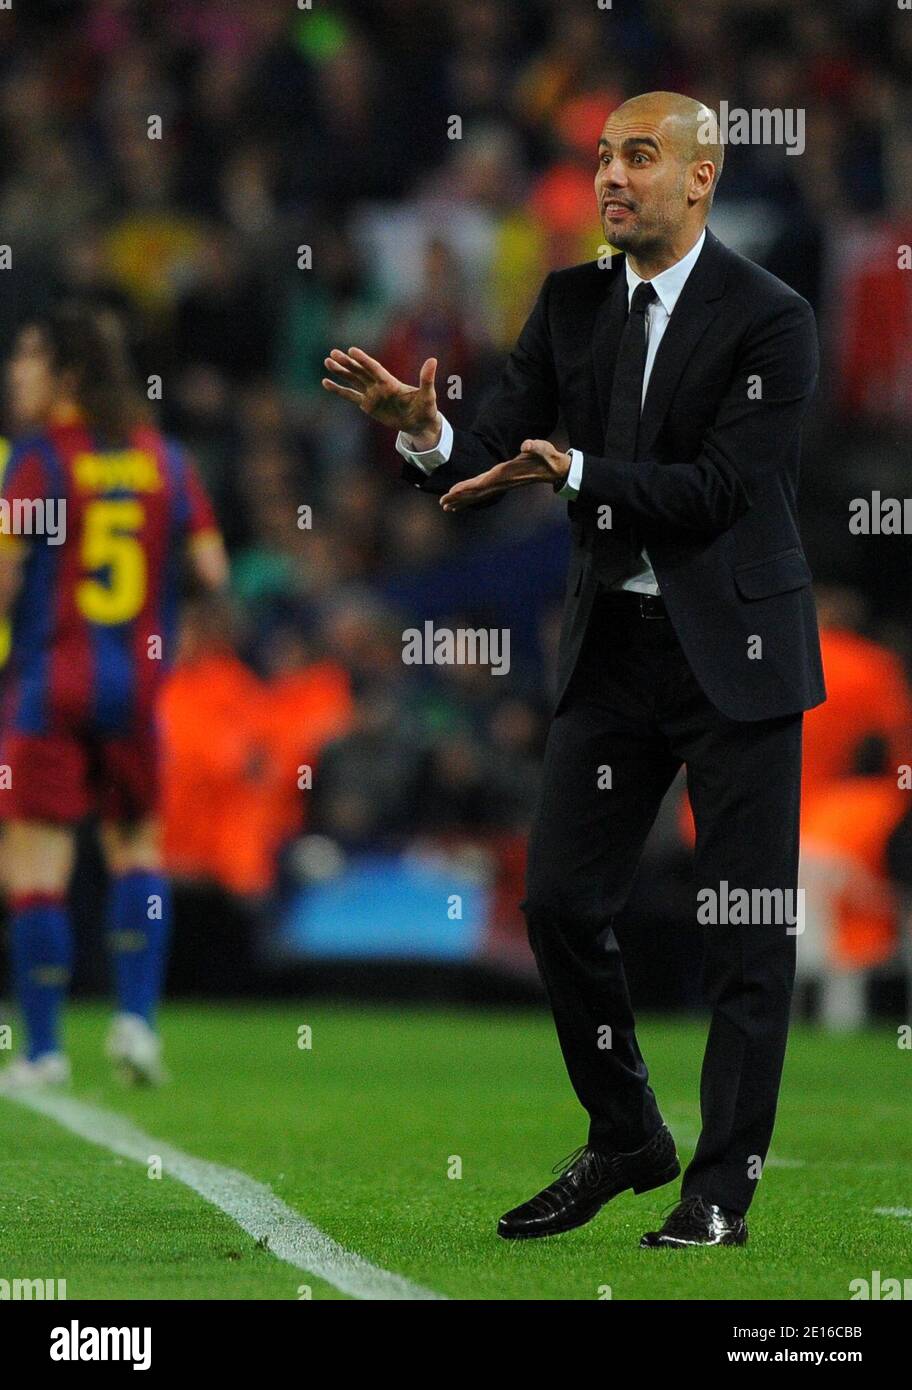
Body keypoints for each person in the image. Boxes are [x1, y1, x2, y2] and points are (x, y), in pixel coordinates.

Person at [323, 91, 824, 1249]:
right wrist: (426, 433)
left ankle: (718, 1195)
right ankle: (629, 1131)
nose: (613, 178)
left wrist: (582, 470)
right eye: (603, 158)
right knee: (556, 900)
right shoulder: (571, 299)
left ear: (701, 178)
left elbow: (717, 492)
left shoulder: (772, 318)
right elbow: (495, 449)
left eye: (640, 158)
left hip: (738, 652)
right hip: (618, 647)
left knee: (744, 926)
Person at [0, 302, 227, 1088]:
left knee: (34, 862)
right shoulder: (165, 459)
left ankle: (43, 1052)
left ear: (66, 374)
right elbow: (211, 572)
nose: (14, 372)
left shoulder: (37, 460)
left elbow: (2, 578)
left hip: (48, 687)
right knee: (137, 850)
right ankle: (135, 1024)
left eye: (27, 357)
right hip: (136, 688)